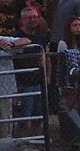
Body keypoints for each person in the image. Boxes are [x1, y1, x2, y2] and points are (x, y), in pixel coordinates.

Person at [11, 7, 51, 135]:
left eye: (35, 17)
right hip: (23, 83)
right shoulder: (16, 37)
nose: (33, 20)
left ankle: (36, 142)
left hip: (39, 82)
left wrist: (48, 75)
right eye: (29, 17)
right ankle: (22, 143)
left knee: (39, 117)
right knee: (24, 119)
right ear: (22, 20)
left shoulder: (42, 38)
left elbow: (47, 57)